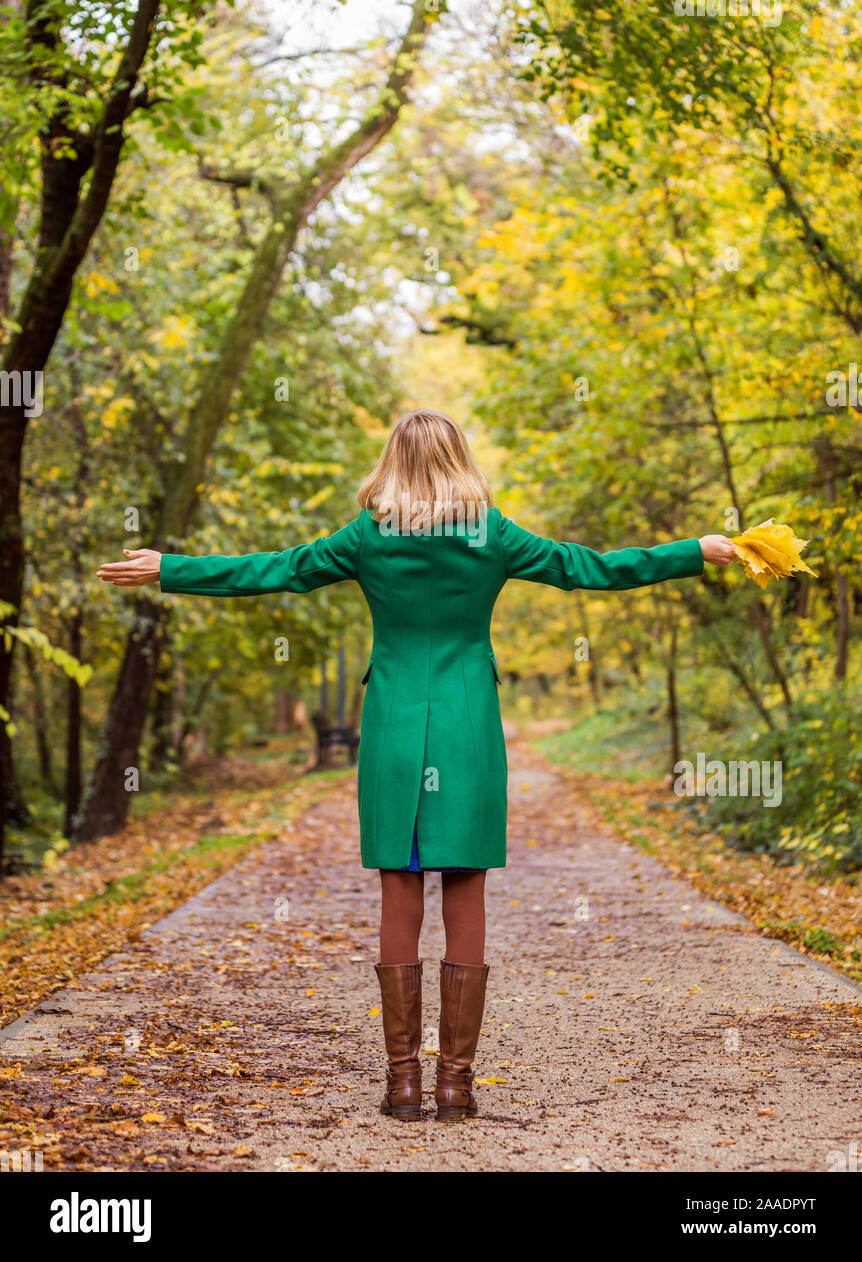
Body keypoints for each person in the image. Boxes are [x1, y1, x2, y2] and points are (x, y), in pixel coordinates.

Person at [98, 407, 736, 1123]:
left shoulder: (368, 538)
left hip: (396, 730)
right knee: (466, 892)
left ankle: (404, 1085)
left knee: (399, 894)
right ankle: (456, 1086)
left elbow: (276, 569)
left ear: (392, 461)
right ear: (460, 458)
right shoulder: (492, 535)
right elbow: (589, 568)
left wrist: (171, 570)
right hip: (468, 731)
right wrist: (693, 550)